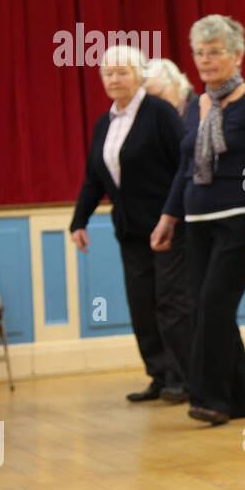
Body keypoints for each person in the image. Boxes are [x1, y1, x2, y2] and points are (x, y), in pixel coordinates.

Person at [150, 15, 245, 427]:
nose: (206, 60)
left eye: (215, 51)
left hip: (237, 220)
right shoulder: (198, 105)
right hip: (196, 219)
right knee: (205, 307)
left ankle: (211, 398)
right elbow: (184, 167)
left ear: (237, 55)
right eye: (200, 52)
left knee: (214, 307)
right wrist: (168, 216)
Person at [70, 45, 193, 403]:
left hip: (168, 227)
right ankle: (158, 374)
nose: (114, 79)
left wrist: (172, 215)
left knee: (171, 303)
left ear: (140, 75)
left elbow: (183, 165)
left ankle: (182, 377)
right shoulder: (104, 123)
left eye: (122, 72)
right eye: (108, 73)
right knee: (141, 305)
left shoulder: (159, 112)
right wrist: (80, 220)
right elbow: (94, 178)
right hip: (130, 230)